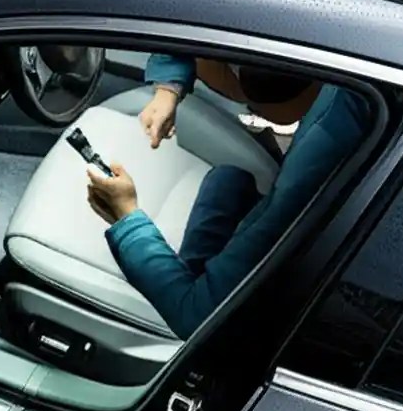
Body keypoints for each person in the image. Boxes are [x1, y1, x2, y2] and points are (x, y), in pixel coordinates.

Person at [85, 54, 373, 339]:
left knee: (226, 184)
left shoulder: (308, 179)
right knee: (226, 182)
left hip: (238, 311)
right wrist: (167, 90)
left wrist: (125, 217)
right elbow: (197, 12)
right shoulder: (352, 88)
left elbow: (197, 318)